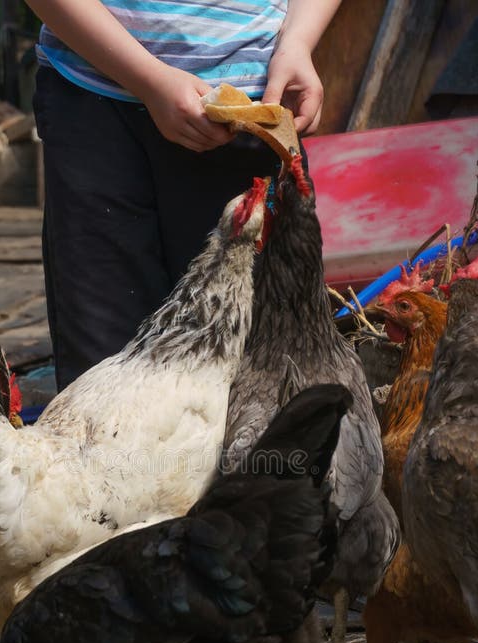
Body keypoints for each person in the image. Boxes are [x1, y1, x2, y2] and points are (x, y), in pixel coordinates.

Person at [26, 0, 343, 390]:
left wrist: (297, 41)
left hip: (255, 110)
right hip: (96, 107)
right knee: (106, 367)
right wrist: (147, 79)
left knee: (260, 370)